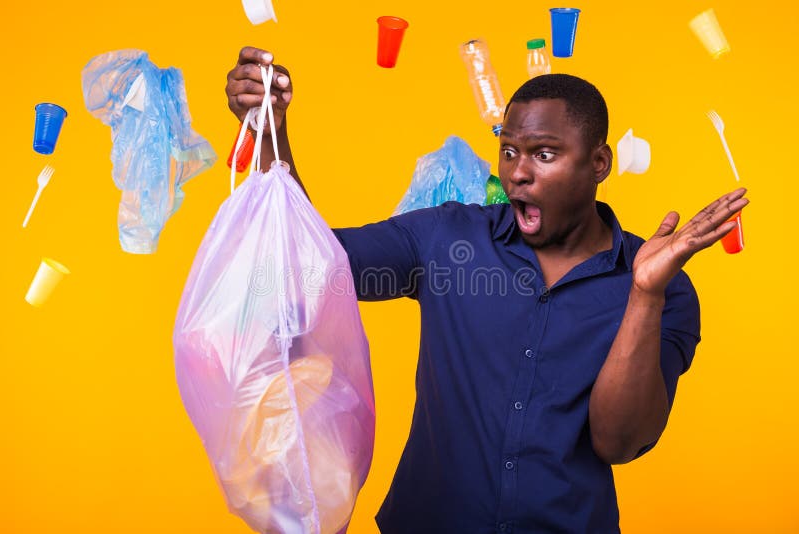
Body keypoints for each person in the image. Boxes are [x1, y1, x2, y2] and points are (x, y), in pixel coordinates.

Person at [225, 47, 748, 533]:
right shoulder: (446, 239)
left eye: (544, 154)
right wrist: (271, 133)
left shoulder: (665, 288)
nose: (518, 173)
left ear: (599, 164)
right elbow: (313, 262)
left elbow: (619, 441)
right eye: (509, 151)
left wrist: (644, 296)